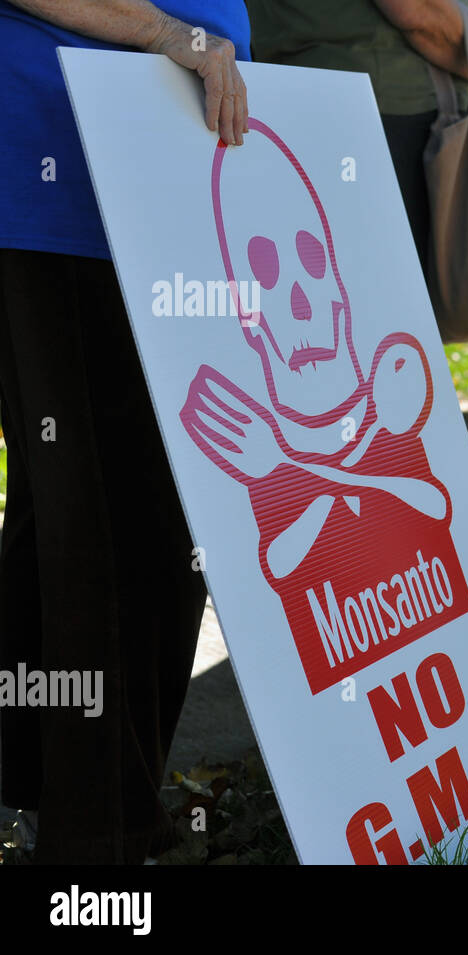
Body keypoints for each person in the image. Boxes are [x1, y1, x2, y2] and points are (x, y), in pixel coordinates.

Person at [0, 0, 249, 863]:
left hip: (147, 170)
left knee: (80, 514)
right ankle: (97, 845)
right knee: (111, 525)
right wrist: (171, 36)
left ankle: (38, 790)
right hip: (60, 172)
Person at [245, 0, 468, 280]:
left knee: (346, 301)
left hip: (299, 106)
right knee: (405, 304)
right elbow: (418, 11)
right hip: (393, 116)